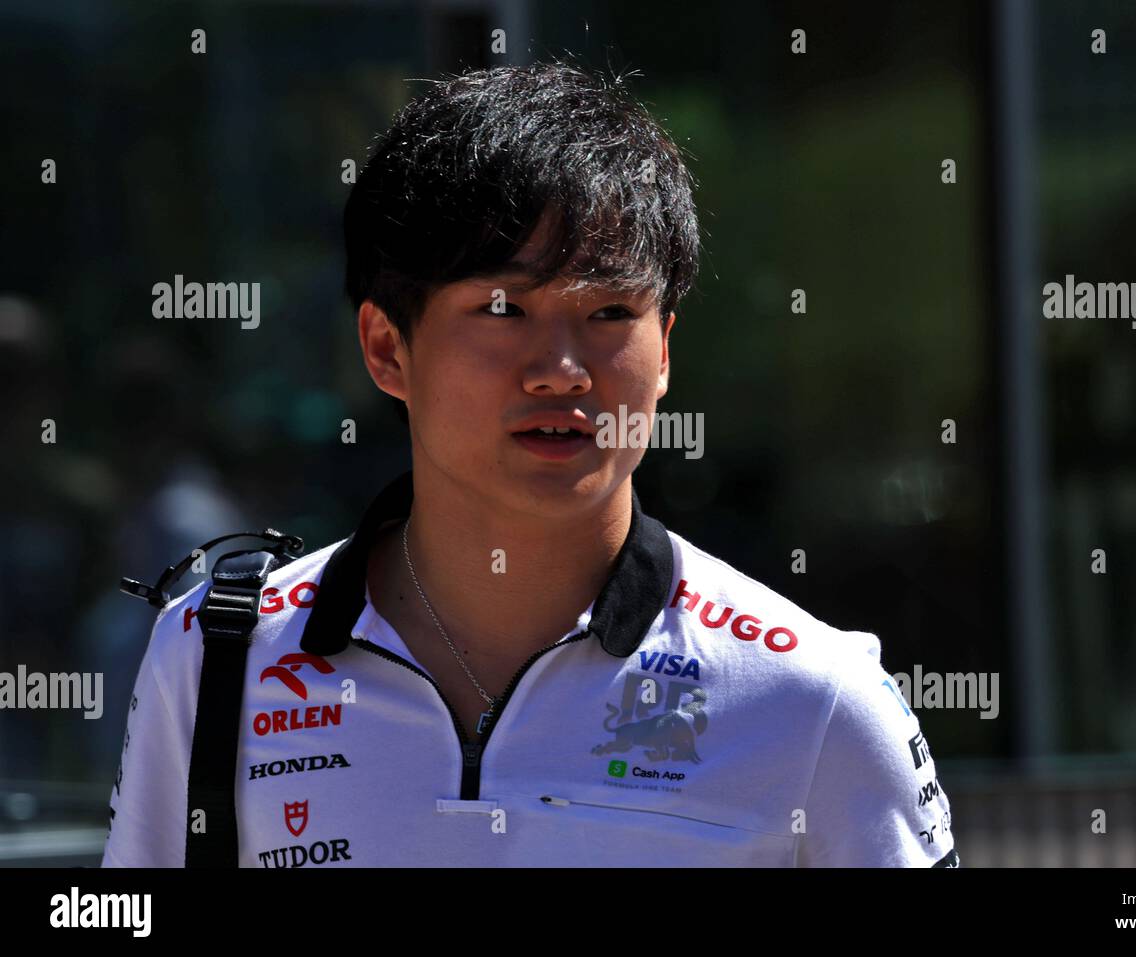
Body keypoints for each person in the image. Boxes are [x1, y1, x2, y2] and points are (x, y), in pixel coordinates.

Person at [102, 60, 958, 868]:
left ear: (664, 351)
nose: (562, 369)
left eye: (610, 309)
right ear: (385, 347)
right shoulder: (217, 659)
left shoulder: (814, 696)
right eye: (503, 306)